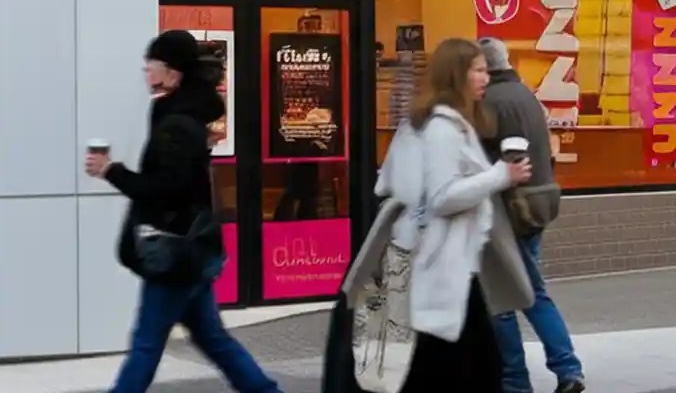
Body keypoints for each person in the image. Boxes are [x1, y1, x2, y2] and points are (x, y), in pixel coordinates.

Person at [325, 38, 535, 392]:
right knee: (461, 368)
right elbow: (443, 198)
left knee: (445, 366)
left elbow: (387, 184)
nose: (487, 77)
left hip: (430, 265)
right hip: (437, 269)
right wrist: (501, 176)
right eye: (479, 70)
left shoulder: (422, 124)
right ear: (458, 75)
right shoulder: (443, 129)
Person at [85, 30, 282, 393]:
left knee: (146, 344)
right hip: (189, 249)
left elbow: (163, 188)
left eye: (152, 66)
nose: (146, 73)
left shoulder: (177, 125)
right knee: (213, 340)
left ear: (172, 73)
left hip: (173, 251)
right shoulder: (176, 115)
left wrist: (111, 170)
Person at [478, 38, 586, 393]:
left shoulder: (490, 101)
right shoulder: (526, 94)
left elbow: (502, 159)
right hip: (536, 204)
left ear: (485, 68)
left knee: (507, 300)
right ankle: (565, 369)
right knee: (530, 292)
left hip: (509, 210)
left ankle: (522, 379)